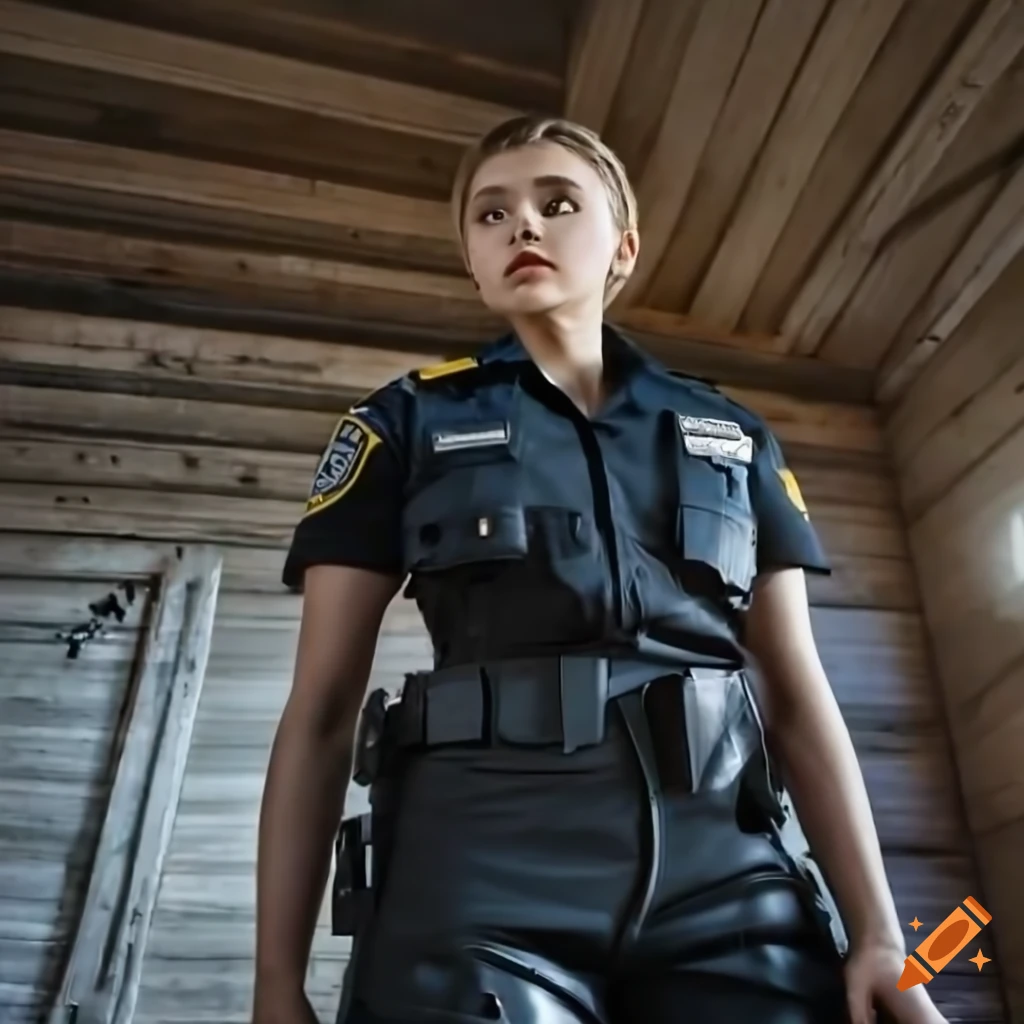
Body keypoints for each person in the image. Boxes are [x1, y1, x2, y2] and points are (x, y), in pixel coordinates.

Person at [253, 116, 949, 1024]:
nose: (523, 228)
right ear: (471, 258)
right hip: (477, 873)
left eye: (557, 203)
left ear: (622, 247)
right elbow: (319, 713)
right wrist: (276, 984)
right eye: (491, 214)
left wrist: (881, 937)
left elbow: (794, 692)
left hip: (730, 879)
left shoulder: (733, 437)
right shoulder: (399, 425)